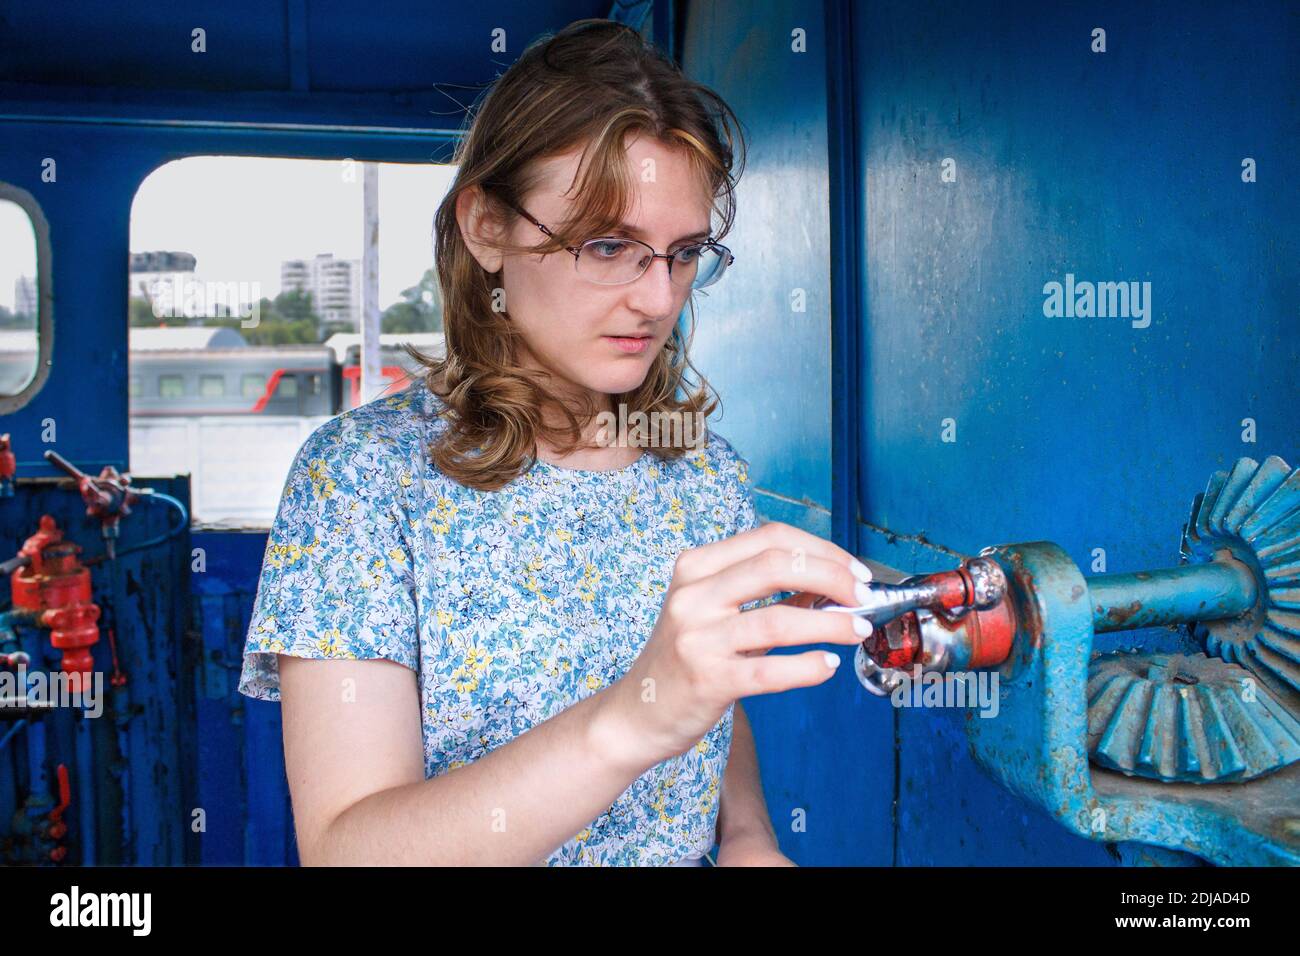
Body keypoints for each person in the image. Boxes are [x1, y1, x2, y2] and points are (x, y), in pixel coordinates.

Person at [237, 17, 874, 867]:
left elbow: (707, 700)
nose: (657, 299)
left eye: (684, 254)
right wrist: (631, 715)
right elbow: (348, 850)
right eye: (609, 246)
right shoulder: (362, 480)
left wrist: (749, 835)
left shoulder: (702, 469)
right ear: (487, 228)